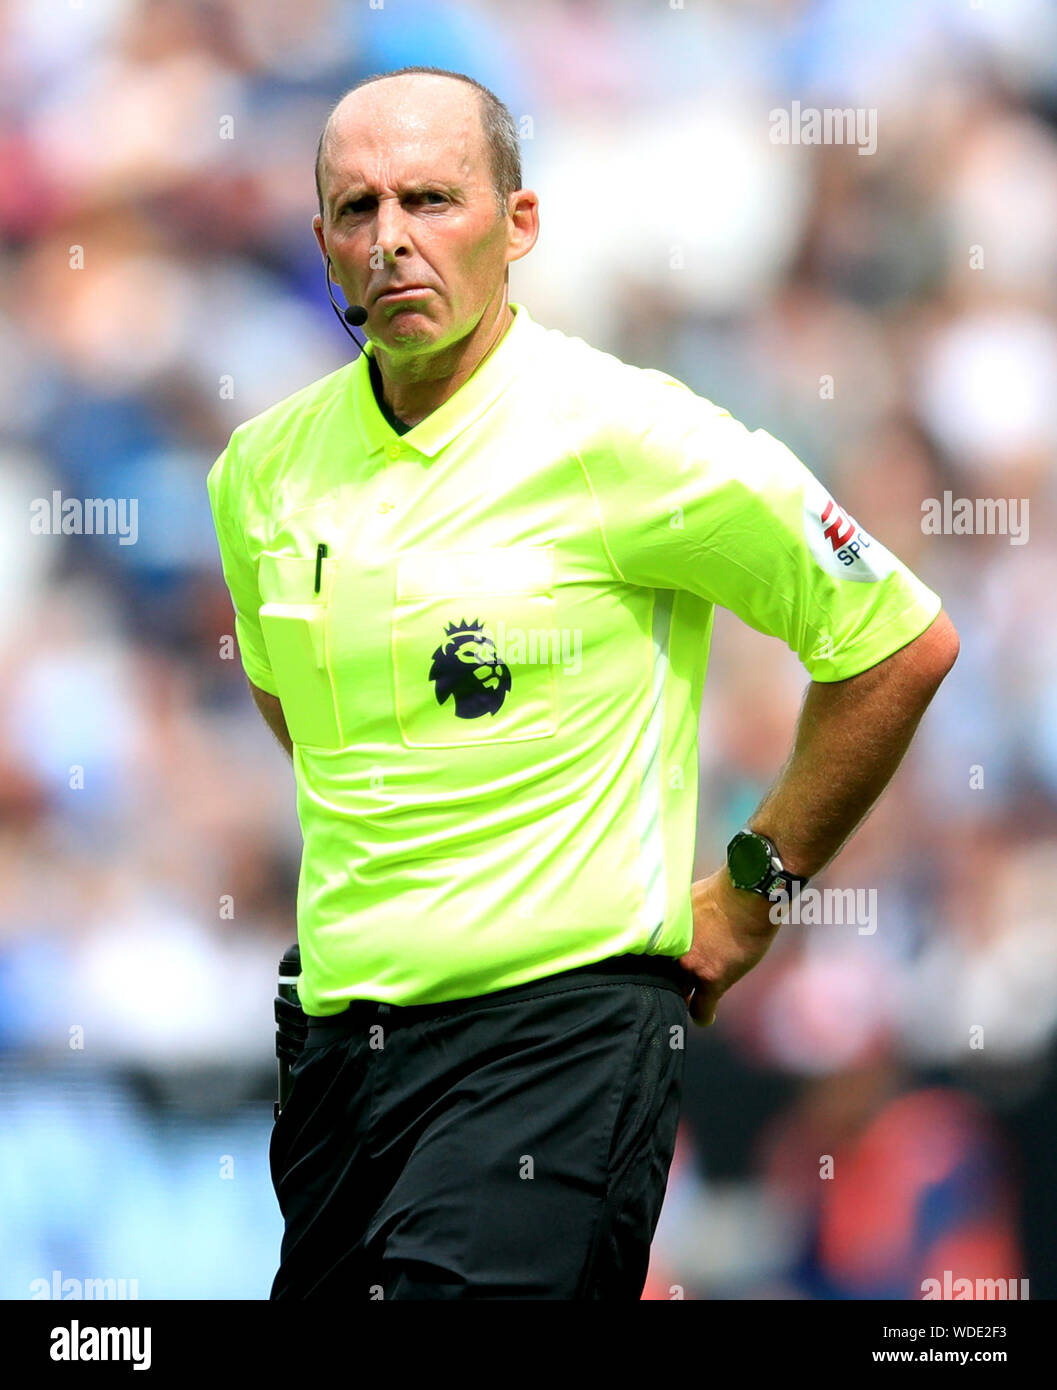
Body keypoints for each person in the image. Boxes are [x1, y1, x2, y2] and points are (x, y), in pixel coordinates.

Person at [205, 65, 959, 1300]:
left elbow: (895, 637)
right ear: (322, 243)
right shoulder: (261, 475)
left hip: (557, 1033)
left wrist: (756, 888)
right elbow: (312, 724)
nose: (391, 238)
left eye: (431, 199)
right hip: (341, 1061)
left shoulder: (625, 434)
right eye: (356, 210)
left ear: (520, 225)